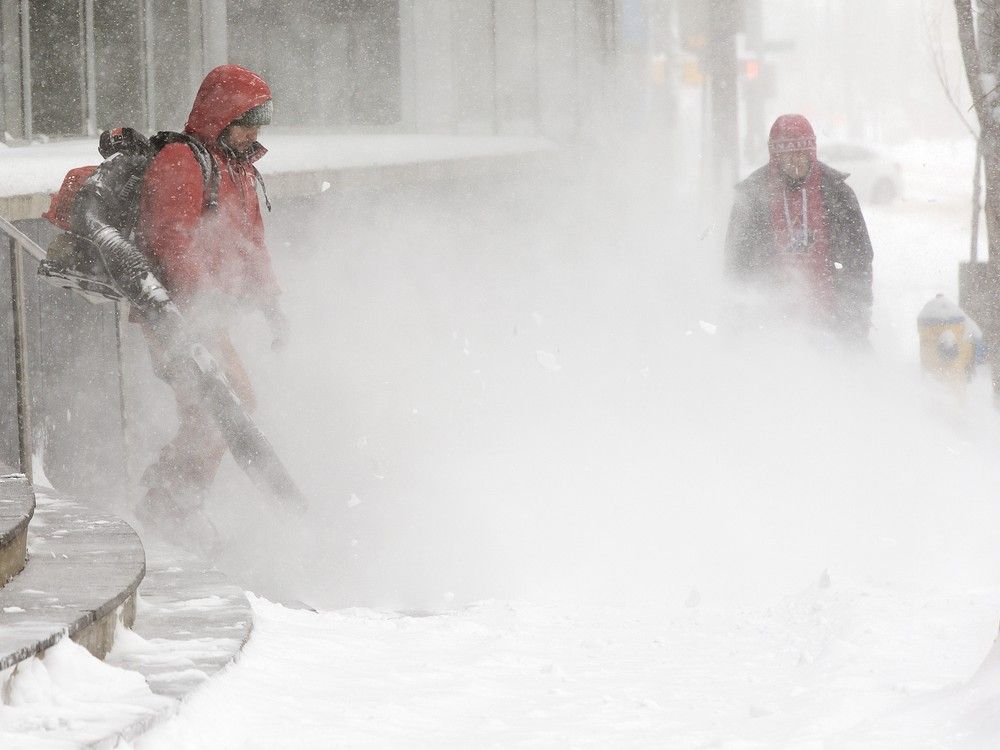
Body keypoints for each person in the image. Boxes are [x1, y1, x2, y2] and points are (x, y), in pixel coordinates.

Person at [135, 64, 288, 524]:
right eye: (248, 121)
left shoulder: (237, 168)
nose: (255, 131)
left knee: (214, 410)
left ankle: (173, 502)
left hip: (205, 315)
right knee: (224, 404)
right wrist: (201, 299)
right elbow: (171, 239)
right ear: (223, 116)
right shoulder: (182, 161)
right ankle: (170, 503)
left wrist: (270, 304)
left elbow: (251, 242)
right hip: (175, 315)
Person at [724, 114, 873, 343]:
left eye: (802, 155)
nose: (796, 163)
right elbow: (737, 264)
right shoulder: (752, 197)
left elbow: (859, 260)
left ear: (812, 152)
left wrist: (855, 322)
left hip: (831, 320)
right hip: (770, 325)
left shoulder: (837, 194)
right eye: (788, 156)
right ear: (775, 157)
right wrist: (742, 325)